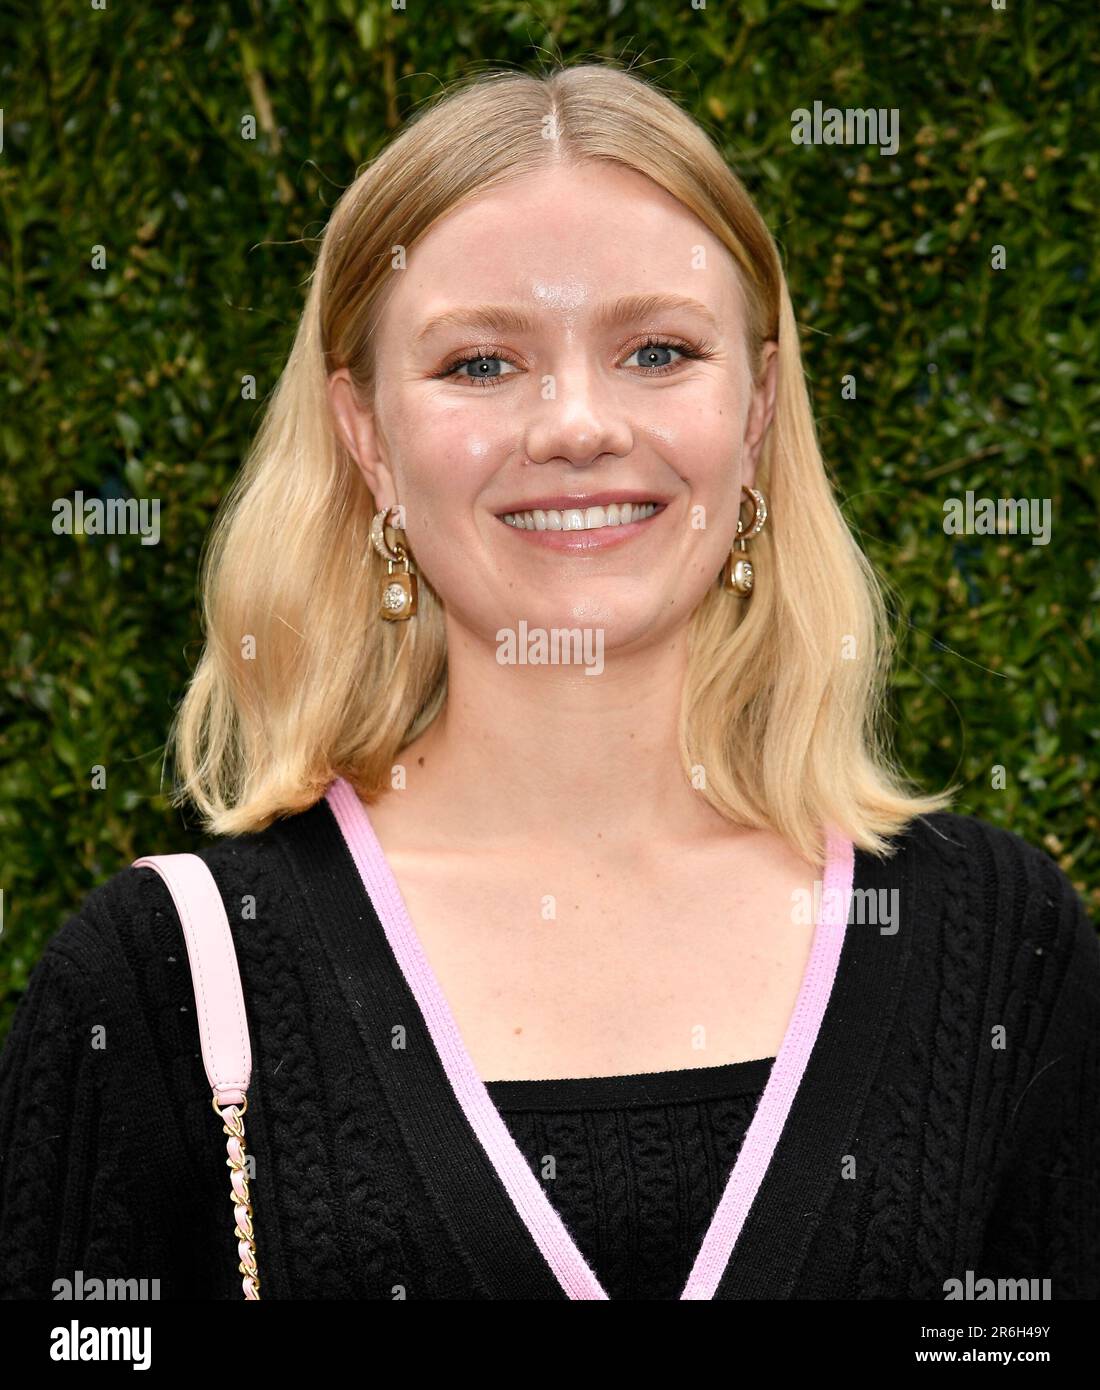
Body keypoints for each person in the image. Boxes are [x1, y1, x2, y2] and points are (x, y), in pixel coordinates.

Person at [1, 61, 1097, 1302]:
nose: (575, 423)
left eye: (656, 349)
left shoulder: (999, 946)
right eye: (480, 364)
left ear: (756, 412)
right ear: (367, 439)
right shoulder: (158, 985)